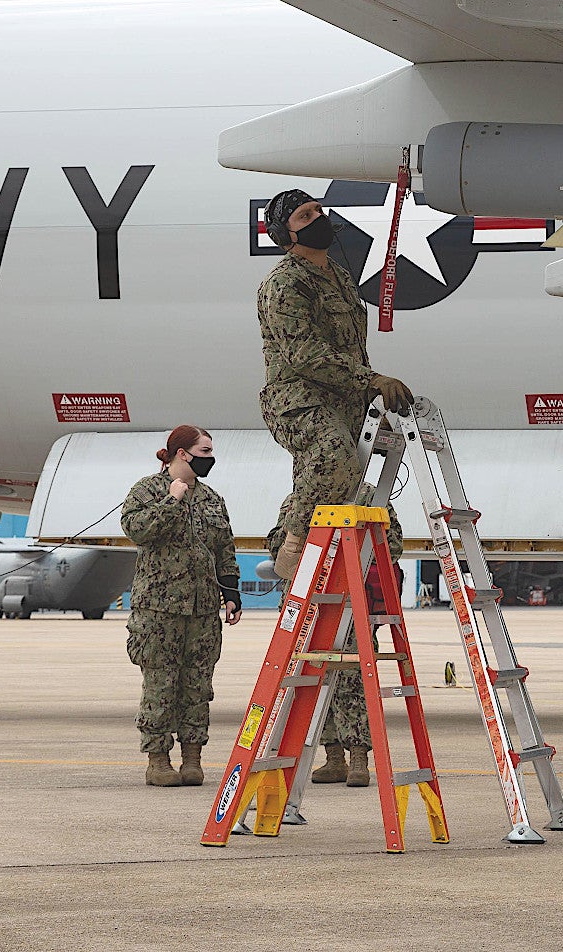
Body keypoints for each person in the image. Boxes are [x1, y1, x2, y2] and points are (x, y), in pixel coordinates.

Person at [256, 188, 412, 789]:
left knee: (356, 502)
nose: (318, 220)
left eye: (318, 212)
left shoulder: (342, 280)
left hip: (343, 405)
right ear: (286, 235)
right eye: (304, 217)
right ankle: (293, 539)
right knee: (330, 459)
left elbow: (353, 346)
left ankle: (349, 755)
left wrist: (367, 389)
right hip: (298, 398)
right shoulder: (283, 284)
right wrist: (370, 379)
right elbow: (304, 354)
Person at [121, 424, 243, 787]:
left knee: (198, 686)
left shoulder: (212, 499)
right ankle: (158, 761)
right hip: (159, 611)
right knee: (160, 684)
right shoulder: (148, 490)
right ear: (182, 453)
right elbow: (136, 530)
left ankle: (192, 758)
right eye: (204, 452)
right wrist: (171, 502)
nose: (210, 458)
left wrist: (231, 593)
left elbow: (224, 549)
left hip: (202, 611)